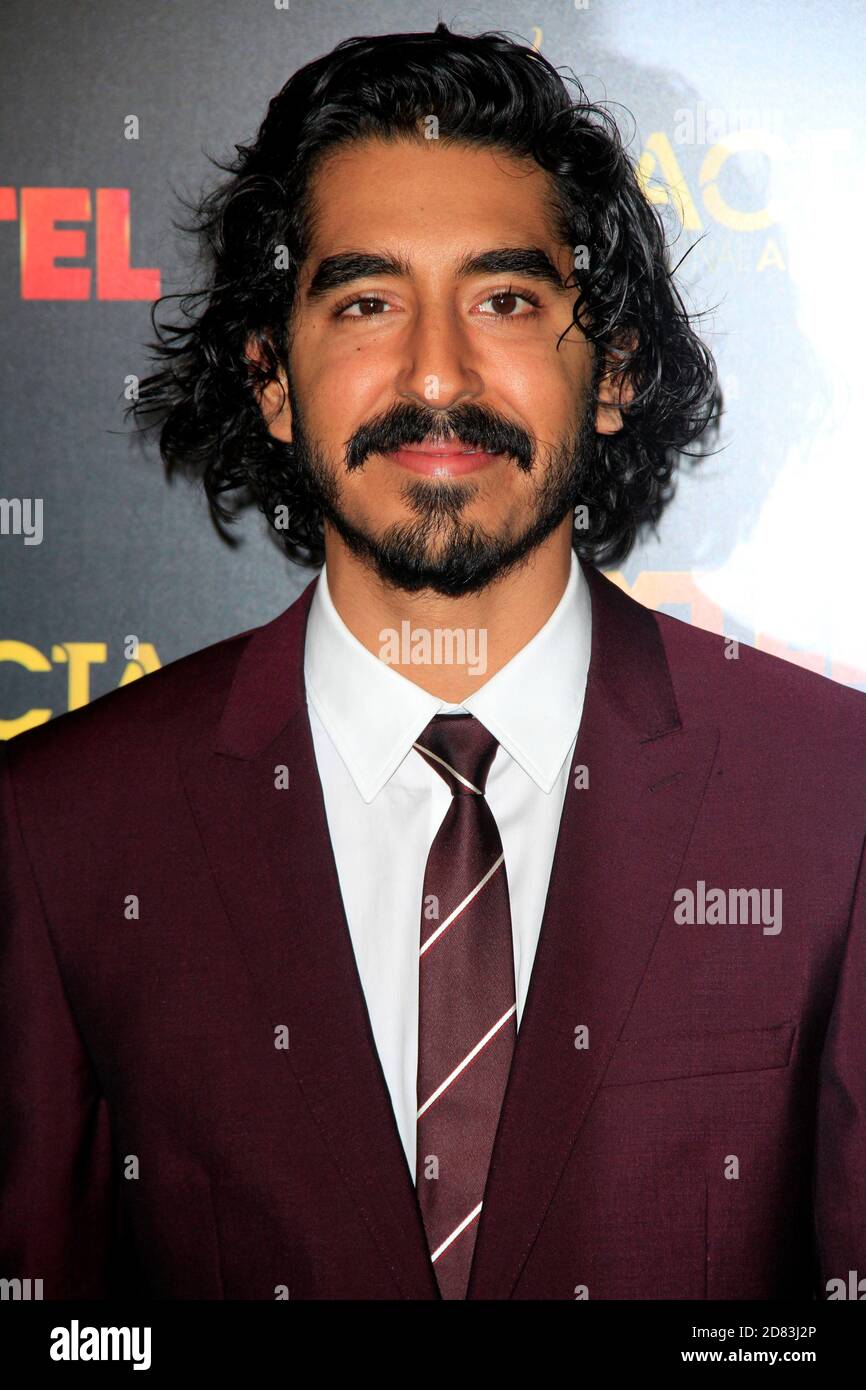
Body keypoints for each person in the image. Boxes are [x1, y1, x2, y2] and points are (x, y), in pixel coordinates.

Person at [1, 23, 864, 1301]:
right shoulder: (64, 827)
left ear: (610, 369)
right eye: (364, 302)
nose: (436, 373)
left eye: (506, 299)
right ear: (273, 383)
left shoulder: (830, 794)